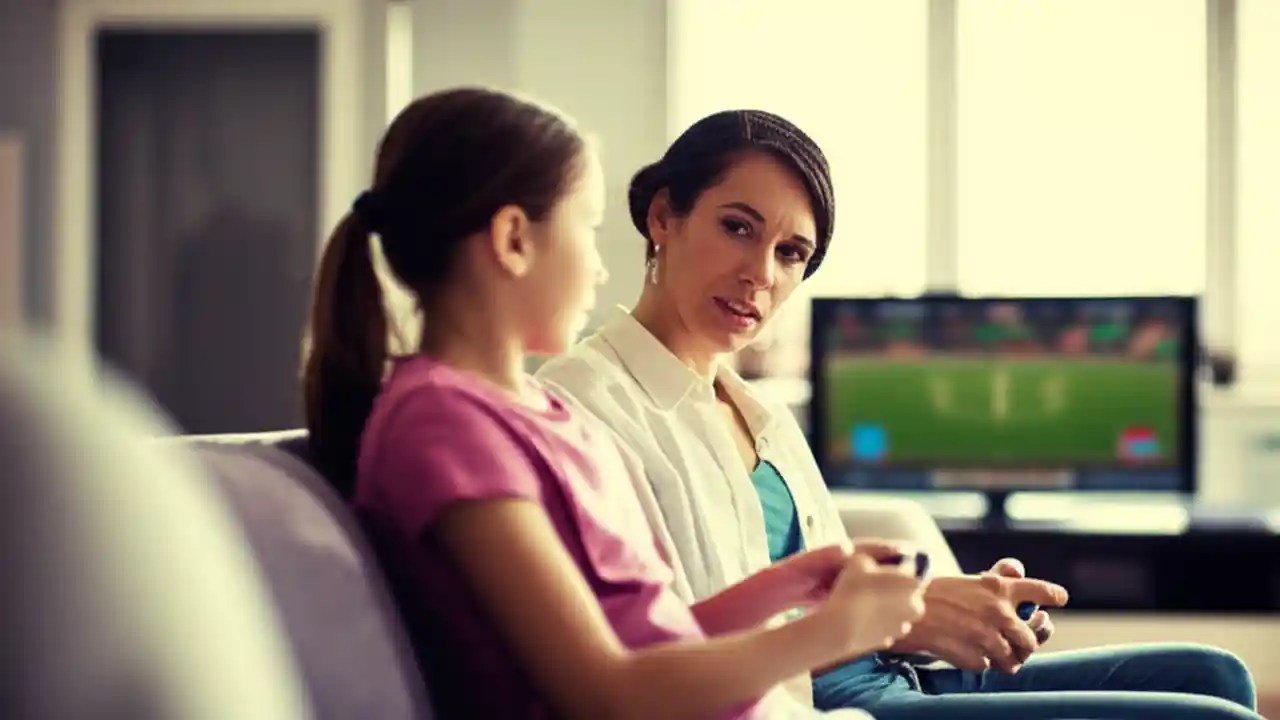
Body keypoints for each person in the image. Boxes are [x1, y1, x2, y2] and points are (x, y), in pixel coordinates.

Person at [535, 108, 1261, 720]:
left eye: (792, 253)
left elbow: (825, 594)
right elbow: (659, 651)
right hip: (816, 705)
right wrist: (907, 617)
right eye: (738, 227)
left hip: (890, 673)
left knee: (1215, 674)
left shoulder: (760, 413)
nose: (760, 274)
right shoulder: (584, 406)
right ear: (663, 216)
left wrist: (947, 611)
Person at [300, 87, 928, 720]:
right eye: (589, 229)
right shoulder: (445, 426)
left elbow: (655, 639)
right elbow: (605, 691)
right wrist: (831, 632)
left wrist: (791, 584)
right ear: (514, 239)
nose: (601, 270)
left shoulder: (524, 413)